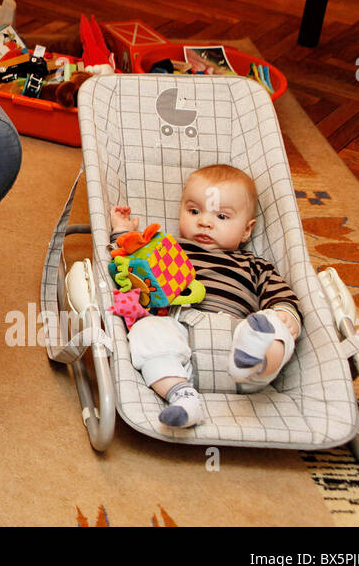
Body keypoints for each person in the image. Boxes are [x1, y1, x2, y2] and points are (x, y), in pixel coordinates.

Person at [110, 164, 301, 429]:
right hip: (180, 339)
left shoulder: (254, 265)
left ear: (247, 230)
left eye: (222, 217)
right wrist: (122, 233)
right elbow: (131, 268)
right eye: (194, 211)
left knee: (274, 328)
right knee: (145, 331)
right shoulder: (171, 249)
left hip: (236, 343)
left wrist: (284, 314)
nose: (204, 221)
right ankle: (182, 397)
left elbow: (281, 294)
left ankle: (259, 352)